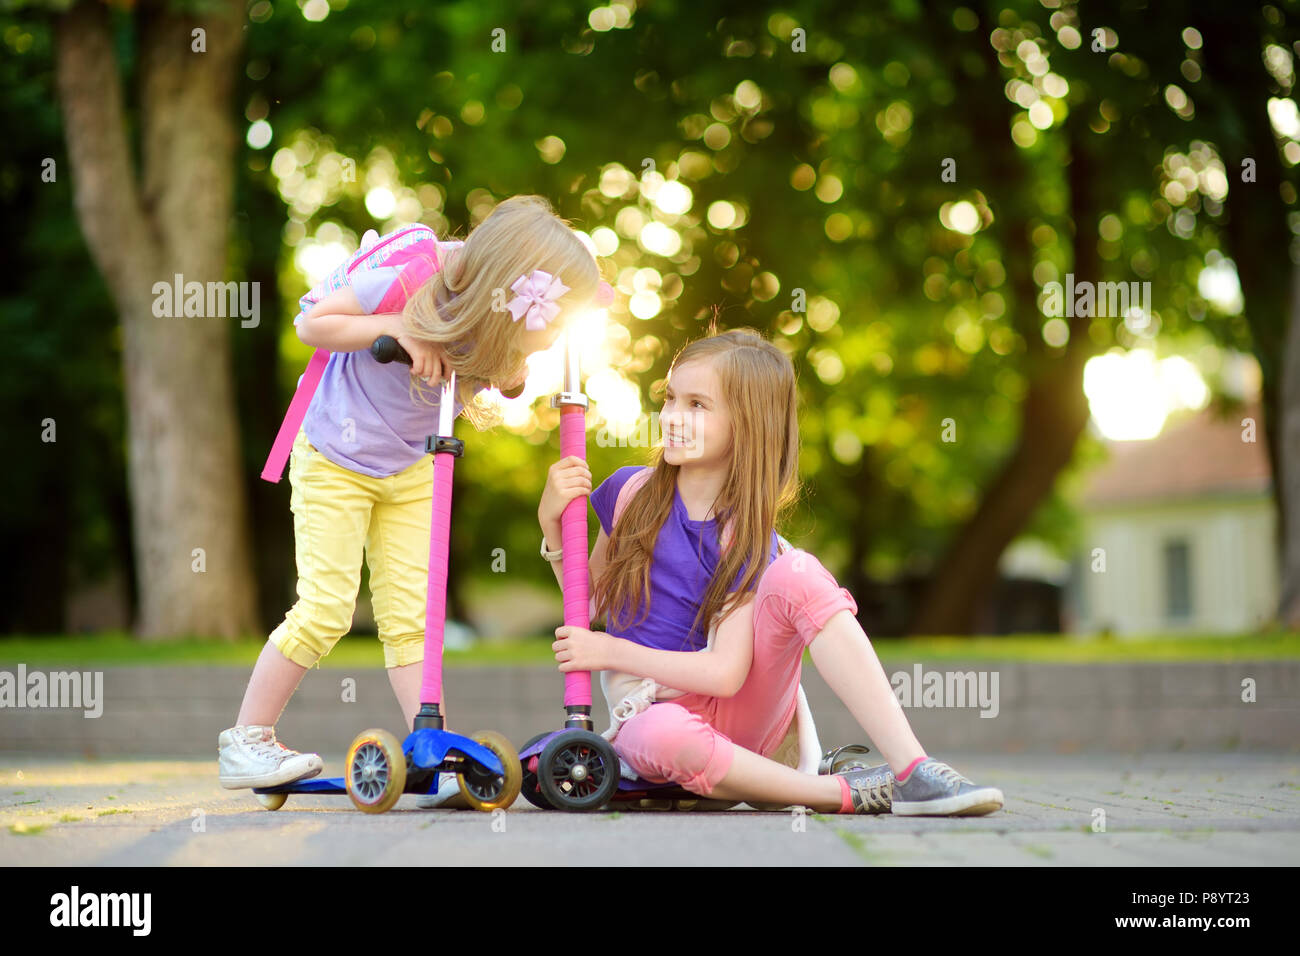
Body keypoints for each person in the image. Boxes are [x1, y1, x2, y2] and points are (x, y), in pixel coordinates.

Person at [219, 196, 600, 802]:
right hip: (334, 458)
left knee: (414, 620)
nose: (540, 344)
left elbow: (501, 376)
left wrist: (508, 368)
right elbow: (314, 321)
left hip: (412, 465)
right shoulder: (420, 268)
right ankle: (247, 738)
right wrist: (395, 326)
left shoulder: (493, 324)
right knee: (325, 608)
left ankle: (432, 746)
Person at [543, 326, 1004, 815]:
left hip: (740, 716)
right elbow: (593, 604)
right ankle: (842, 794)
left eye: (697, 405)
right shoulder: (629, 494)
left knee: (797, 571)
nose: (673, 417)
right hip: (657, 722)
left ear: (746, 423)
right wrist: (552, 522)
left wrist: (612, 650)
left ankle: (913, 772)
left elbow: (723, 674)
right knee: (660, 733)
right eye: (671, 398)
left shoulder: (746, 535)